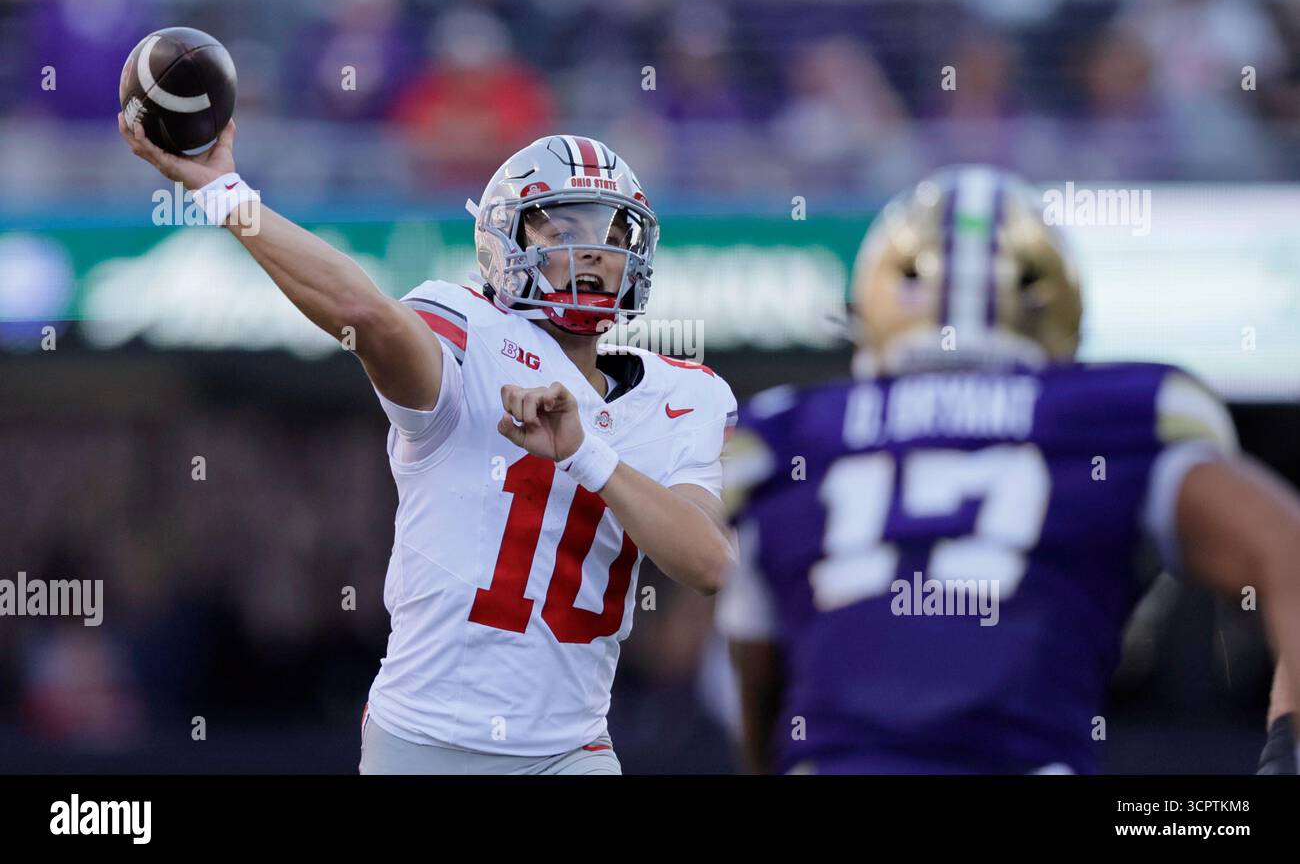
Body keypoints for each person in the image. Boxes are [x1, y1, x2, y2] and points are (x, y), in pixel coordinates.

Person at [117, 117, 736, 774]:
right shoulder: (466, 333)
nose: (592, 250)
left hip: (569, 750)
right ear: (506, 240)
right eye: (563, 227)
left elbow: (710, 565)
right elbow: (364, 315)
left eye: (610, 232)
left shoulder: (684, 395)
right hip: (423, 741)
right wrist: (224, 193)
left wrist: (587, 455)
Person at [716, 164, 1300, 774]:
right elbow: (1285, 548)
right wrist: (1289, 741)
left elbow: (760, 687)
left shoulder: (786, 435)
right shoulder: (1118, 415)